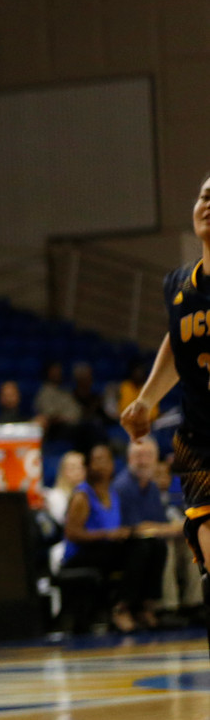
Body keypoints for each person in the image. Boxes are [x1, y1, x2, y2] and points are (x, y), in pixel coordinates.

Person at [123, 171, 210, 649]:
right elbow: (177, 343)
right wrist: (145, 399)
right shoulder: (179, 285)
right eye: (202, 194)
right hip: (200, 444)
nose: (208, 201)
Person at [62, 442, 164, 634]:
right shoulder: (83, 495)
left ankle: (145, 605)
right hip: (81, 554)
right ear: (88, 466)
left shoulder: (112, 493)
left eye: (106, 460)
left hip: (105, 549)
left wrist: (123, 532)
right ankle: (121, 608)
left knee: (155, 544)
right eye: (97, 460)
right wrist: (107, 534)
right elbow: (72, 533)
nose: (103, 465)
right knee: (138, 549)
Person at [113, 436, 183, 629]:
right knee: (150, 546)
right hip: (120, 544)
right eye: (138, 456)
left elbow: (157, 523)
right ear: (129, 459)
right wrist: (169, 529)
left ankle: (154, 607)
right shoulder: (123, 486)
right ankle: (126, 607)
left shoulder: (152, 487)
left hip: (146, 542)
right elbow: (137, 528)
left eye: (148, 455)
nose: (143, 461)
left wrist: (169, 528)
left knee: (165, 543)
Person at [43, 448, 86, 525]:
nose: (77, 472)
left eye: (80, 468)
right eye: (72, 468)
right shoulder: (55, 496)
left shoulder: (91, 495)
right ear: (63, 471)